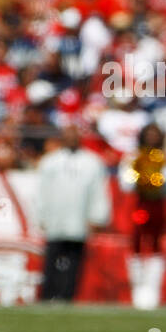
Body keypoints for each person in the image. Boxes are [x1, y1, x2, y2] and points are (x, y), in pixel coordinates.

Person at [35, 124, 112, 302]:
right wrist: (41, 215)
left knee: (74, 260)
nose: (71, 139)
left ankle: (68, 295)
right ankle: (48, 295)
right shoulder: (50, 161)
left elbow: (99, 191)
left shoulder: (92, 162)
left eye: (74, 135)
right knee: (51, 259)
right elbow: (40, 191)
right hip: (55, 219)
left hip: (78, 219)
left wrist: (97, 216)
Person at [119, 122, 166, 309]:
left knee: (156, 244)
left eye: (155, 134)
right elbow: (125, 182)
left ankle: (153, 290)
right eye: (149, 134)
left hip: (158, 205)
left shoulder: (165, 158)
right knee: (137, 243)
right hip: (140, 204)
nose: (152, 137)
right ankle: (137, 290)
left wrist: (161, 181)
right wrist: (140, 179)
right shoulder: (134, 156)